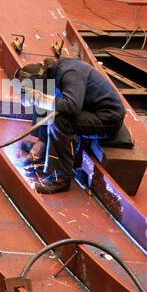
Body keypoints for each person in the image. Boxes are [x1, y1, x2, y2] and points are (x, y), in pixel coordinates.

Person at [16, 57, 126, 195]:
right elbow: (51, 106)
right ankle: (46, 152)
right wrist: (42, 142)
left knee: (60, 120)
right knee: (51, 106)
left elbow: (72, 107)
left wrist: (39, 98)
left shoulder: (70, 74)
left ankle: (60, 178)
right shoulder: (53, 73)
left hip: (108, 119)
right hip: (90, 111)